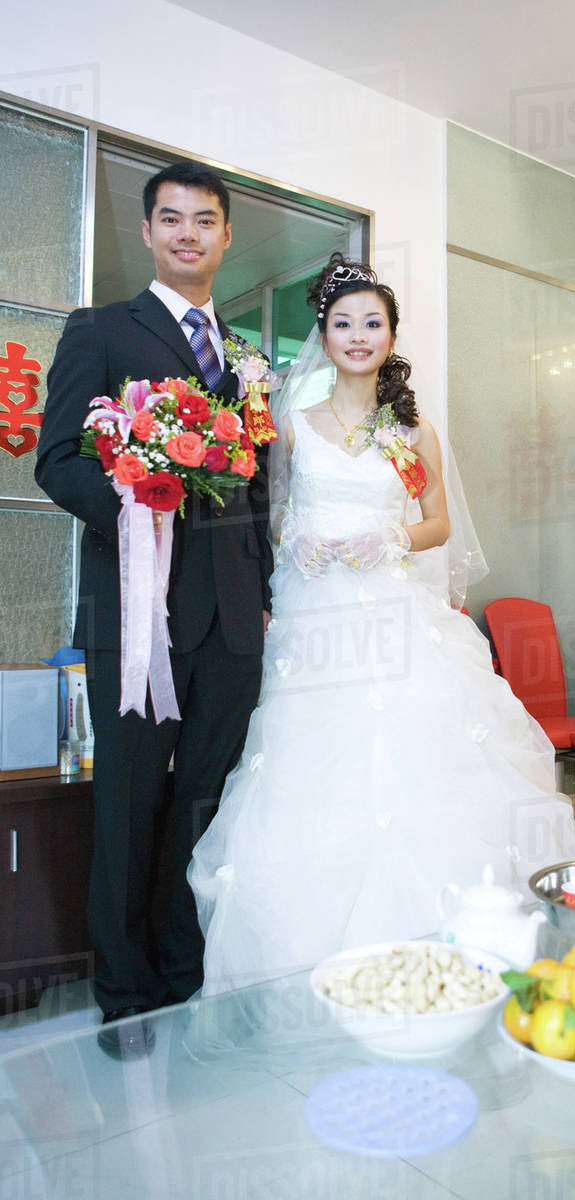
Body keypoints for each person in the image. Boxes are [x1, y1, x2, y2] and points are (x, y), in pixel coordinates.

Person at [189, 253, 575, 997]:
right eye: (343, 322)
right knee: (311, 769)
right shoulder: (291, 425)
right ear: (324, 333)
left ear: (391, 335)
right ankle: (312, 974)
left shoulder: (412, 430)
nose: (357, 334)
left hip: (396, 610)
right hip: (315, 618)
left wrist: (391, 538)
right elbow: (268, 518)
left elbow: (440, 524)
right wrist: (295, 541)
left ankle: (446, 967)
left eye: (372, 322)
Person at [36, 161, 271, 1056]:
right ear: (146, 232)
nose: (186, 234)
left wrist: (267, 593)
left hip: (231, 619)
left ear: (223, 235)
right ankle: (125, 992)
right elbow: (57, 460)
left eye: (203, 220)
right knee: (130, 802)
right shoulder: (101, 329)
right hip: (137, 614)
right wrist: (145, 501)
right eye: (169, 219)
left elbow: (260, 487)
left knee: (203, 800)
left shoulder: (246, 357)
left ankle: (183, 970)